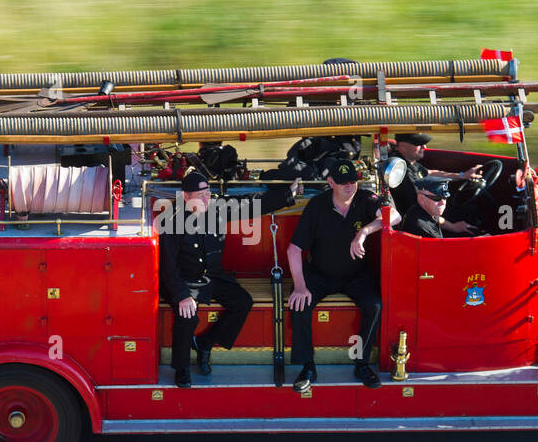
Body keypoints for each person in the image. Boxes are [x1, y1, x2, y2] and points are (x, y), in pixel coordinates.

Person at [159, 170, 301, 388]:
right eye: (201, 194)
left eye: (208, 193)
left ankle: (205, 344)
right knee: (187, 316)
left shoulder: (216, 208)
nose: (207, 198)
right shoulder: (172, 220)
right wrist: (182, 296)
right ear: (186, 197)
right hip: (186, 281)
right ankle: (182, 368)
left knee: (242, 302)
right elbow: (168, 266)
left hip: (212, 276)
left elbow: (251, 204)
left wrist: (287, 194)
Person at [286, 160, 400, 392]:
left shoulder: (366, 199)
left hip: (355, 274)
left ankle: (361, 364)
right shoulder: (317, 206)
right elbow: (294, 249)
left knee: (374, 305)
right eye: (343, 183)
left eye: (353, 181)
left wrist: (364, 231)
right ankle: (308, 367)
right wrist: (299, 286)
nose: (349, 187)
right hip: (320, 272)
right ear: (330, 183)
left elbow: (395, 217)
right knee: (299, 304)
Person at [387, 132, 482, 235]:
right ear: (403, 146)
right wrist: (453, 227)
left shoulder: (409, 161)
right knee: (470, 213)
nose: (424, 147)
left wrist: (462, 175)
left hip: (432, 209)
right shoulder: (403, 173)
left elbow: (429, 173)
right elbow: (424, 211)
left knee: (469, 208)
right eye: (419, 143)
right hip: (423, 221)